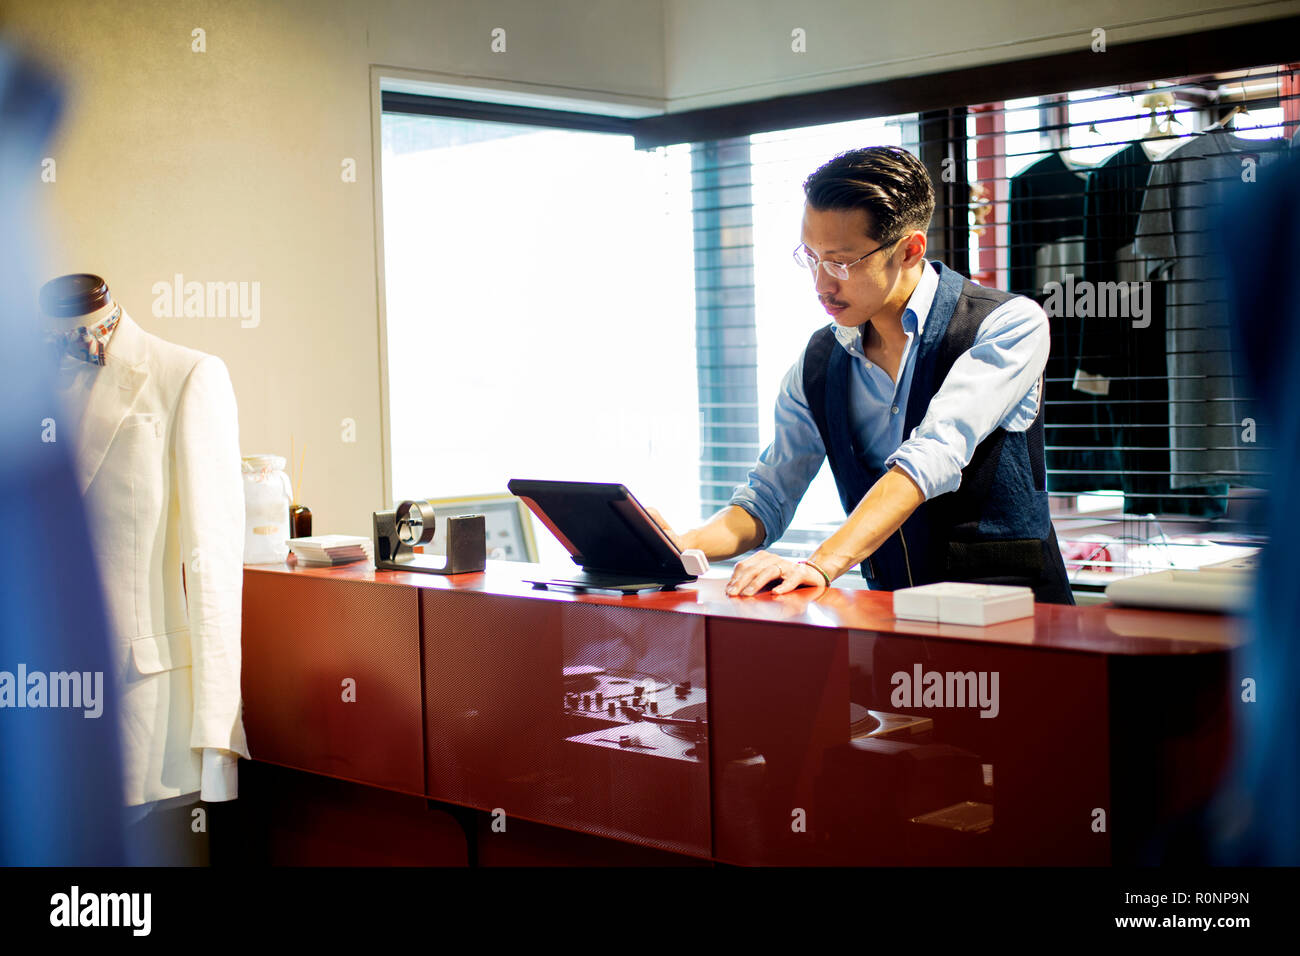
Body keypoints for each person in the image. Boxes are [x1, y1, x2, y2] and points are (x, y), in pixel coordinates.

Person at [648, 146, 1072, 603]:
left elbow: (932, 455)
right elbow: (767, 497)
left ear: (909, 250)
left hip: (1015, 619)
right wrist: (679, 544)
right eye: (810, 257)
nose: (821, 284)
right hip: (891, 618)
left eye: (840, 262)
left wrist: (819, 564)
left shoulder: (1005, 324)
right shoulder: (818, 364)